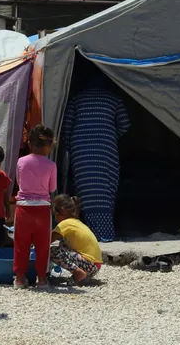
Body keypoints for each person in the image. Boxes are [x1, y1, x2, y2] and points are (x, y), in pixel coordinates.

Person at [61, 68, 130, 242]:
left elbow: (66, 128)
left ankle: (88, 234)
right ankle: (105, 231)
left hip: (81, 149)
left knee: (84, 189)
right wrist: (109, 135)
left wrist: (72, 145)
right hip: (106, 148)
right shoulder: (114, 99)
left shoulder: (77, 100)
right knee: (106, 189)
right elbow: (125, 125)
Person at [13, 125, 57, 289]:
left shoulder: (21, 161)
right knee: (42, 245)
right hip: (42, 209)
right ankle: (42, 280)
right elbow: (52, 189)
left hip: (23, 208)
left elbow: (19, 183)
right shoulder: (51, 165)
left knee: (21, 244)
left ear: (29, 143)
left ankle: (19, 279)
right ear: (49, 146)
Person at [50, 194, 102, 285]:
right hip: (95, 265)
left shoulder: (65, 224)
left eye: (56, 215)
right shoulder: (76, 222)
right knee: (62, 244)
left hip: (89, 264)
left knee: (53, 250)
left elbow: (48, 239)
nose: (56, 219)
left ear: (62, 211)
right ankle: (81, 276)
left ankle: (78, 272)